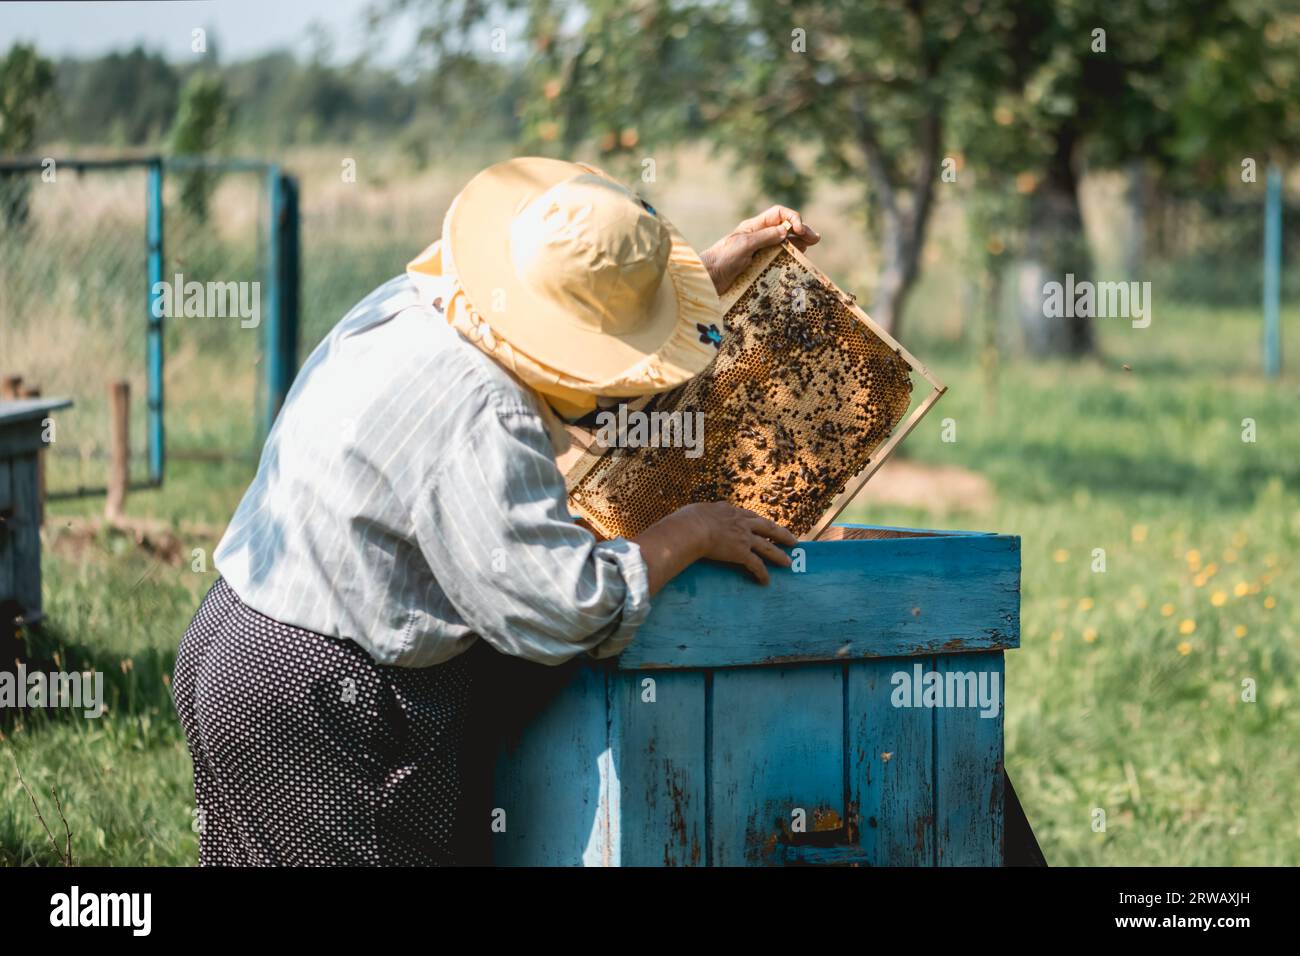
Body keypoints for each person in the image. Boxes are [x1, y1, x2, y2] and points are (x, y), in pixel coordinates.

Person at [171, 157, 820, 865]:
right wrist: (692, 529)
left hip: (237, 638)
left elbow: (577, 306)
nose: (626, 392)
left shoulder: (423, 298)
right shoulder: (489, 413)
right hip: (321, 697)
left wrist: (695, 287)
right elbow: (566, 606)